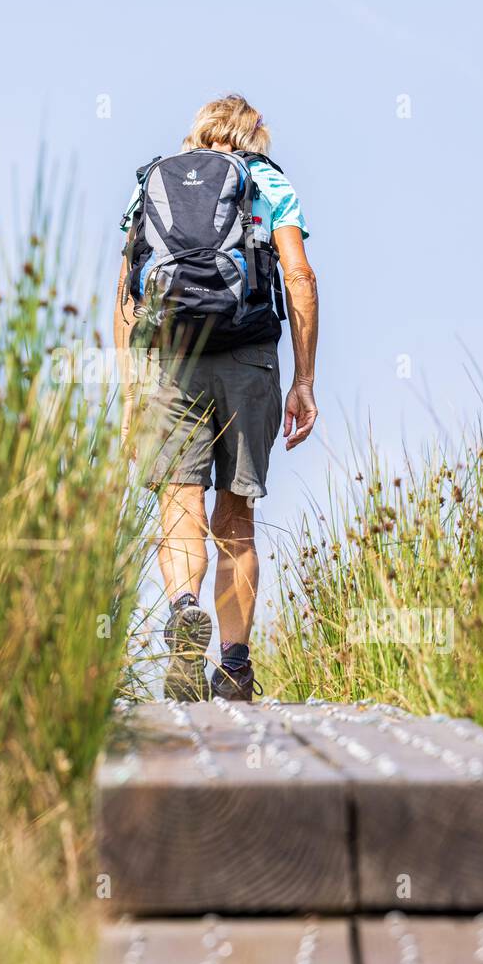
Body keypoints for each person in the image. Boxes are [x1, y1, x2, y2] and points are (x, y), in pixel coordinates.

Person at [113, 94, 318, 702]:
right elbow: (300, 277)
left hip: (170, 358)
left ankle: (182, 611)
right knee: (237, 518)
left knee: (179, 505)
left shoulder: (153, 182)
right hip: (248, 357)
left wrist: (129, 389)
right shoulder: (268, 183)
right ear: (255, 134)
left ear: (198, 132)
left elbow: (126, 290)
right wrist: (304, 380)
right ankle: (233, 665)